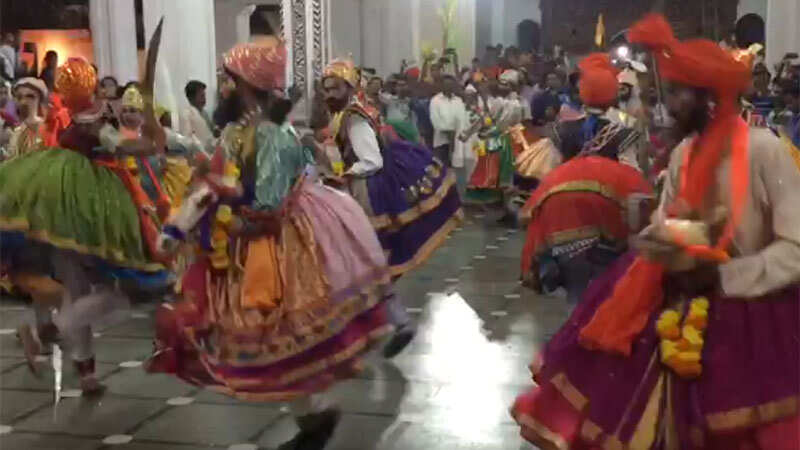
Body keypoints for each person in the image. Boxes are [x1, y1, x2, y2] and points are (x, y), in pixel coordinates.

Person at [512, 15, 800, 449]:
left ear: (710, 98)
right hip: (677, 302)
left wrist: (724, 277)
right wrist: (655, 242)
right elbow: (670, 221)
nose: (670, 105)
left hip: (756, 317)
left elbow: (795, 247)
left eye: (681, 93)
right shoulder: (684, 151)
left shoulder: (766, 151)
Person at [147, 41, 395, 448]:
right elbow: (217, 159)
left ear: (247, 84)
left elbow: (266, 206)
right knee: (274, 344)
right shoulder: (240, 125)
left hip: (277, 245)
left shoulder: (274, 136)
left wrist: (211, 216)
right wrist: (178, 149)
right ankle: (314, 418)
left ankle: (314, 420)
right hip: (249, 235)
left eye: (228, 80)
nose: (222, 87)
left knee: (279, 338)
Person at [1, 57, 170, 395]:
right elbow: (127, 146)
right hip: (94, 210)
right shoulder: (94, 119)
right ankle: (50, 342)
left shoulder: (77, 118)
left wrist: (148, 132)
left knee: (77, 288)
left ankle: (85, 368)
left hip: (59, 204)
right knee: (116, 292)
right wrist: (152, 138)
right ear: (91, 86)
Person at [321, 57, 463, 356]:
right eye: (325, 88)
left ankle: (384, 326)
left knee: (364, 266)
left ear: (348, 87)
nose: (328, 94)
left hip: (367, 195)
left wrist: (342, 175)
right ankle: (388, 323)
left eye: (334, 88)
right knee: (366, 267)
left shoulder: (353, 118)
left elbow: (371, 161)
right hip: (364, 191)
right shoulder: (351, 111)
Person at [519, 53, 651, 306]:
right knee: (606, 282)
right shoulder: (624, 131)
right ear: (612, 95)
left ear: (582, 94)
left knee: (574, 286)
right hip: (608, 212)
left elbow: (548, 173)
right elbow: (631, 172)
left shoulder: (562, 129)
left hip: (566, 214)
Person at [3, 77, 48, 159]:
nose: (24, 102)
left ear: (40, 100)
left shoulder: (47, 131)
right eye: (19, 97)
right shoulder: (17, 132)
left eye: (30, 97)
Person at [430, 74, 466, 167]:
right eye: (446, 85)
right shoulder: (435, 101)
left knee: (456, 172)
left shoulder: (458, 100)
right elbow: (436, 122)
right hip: (441, 142)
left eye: (451, 85)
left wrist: (456, 136)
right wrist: (450, 135)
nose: (449, 87)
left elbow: (462, 119)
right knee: (441, 171)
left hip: (458, 143)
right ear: (442, 86)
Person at [179, 80, 215, 150]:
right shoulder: (186, 114)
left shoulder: (204, 113)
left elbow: (210, 134)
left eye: (204, 95)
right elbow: (187, 139)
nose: (204, 99)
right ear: (191, 98)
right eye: (201, 96)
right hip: (199, 153)